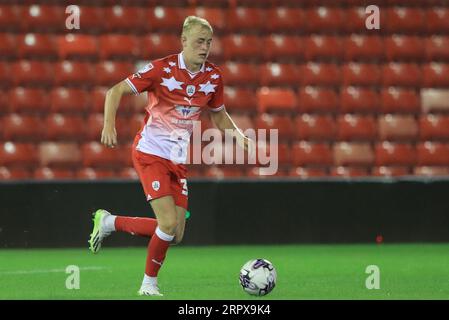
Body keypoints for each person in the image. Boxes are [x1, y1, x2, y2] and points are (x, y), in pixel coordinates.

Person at [88, 16, 253, 296]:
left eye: (209, 42)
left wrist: (237, 134)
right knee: (166, 224)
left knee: (175, 235)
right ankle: (148, 284)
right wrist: (108, 124)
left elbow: (219, 115)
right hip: (150, 152)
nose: (205, 47)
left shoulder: (213, 77)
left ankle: (109, 222)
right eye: (200, 41)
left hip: (178, 159)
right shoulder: (160, 69)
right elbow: (114, 91)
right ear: (184, 41)